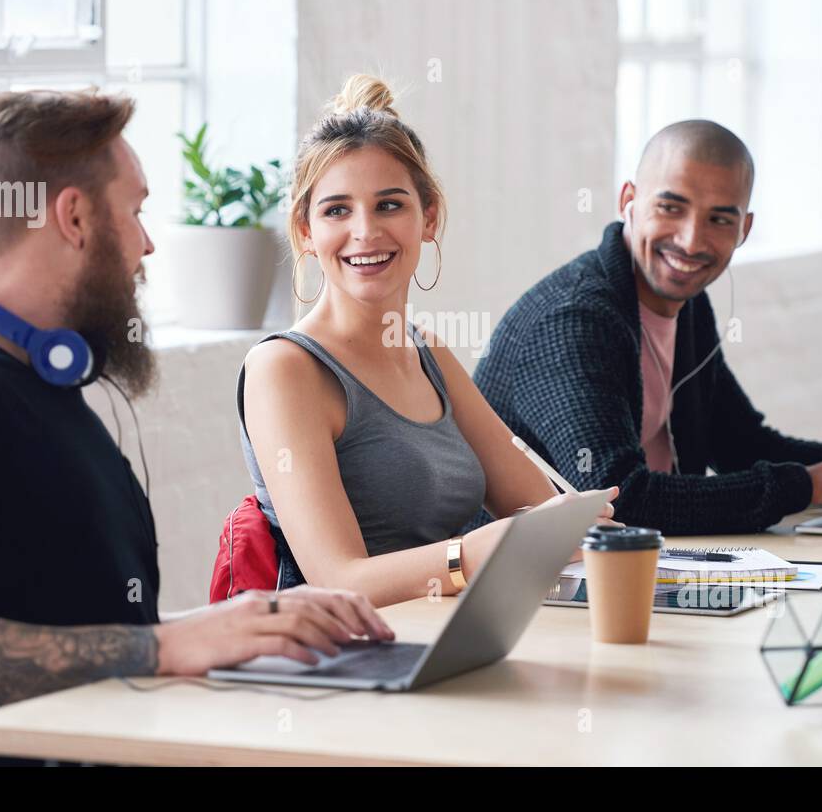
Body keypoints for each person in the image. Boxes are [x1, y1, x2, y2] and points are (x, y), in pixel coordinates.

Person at [0, 89, 392, 766]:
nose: (147, 242)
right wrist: (165, 645)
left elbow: (90, 635)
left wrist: (240, 627)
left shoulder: (36, 384)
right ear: (74, 217)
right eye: (136, 209)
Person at [238, 75, 616, 608]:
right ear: (304, 232)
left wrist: (570, 520)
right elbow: (339, 580)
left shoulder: (429, 353)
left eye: (390, 205)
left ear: (428, 217)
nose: (365, 231)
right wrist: (479, 551)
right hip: (354, 661)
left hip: (460, 640)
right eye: (336, 210)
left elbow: (535, 505)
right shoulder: (284, 368)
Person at [473, 120, 822, 535]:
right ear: (629, 200)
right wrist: (810, 486)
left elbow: (743, 446)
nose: (692, 242)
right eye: (671, 208)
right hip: (536, 582)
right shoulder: (574, 319)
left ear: (744, 229)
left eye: (719, 219)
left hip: (634, 568)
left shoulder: (689, 304)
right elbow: (619, 499)